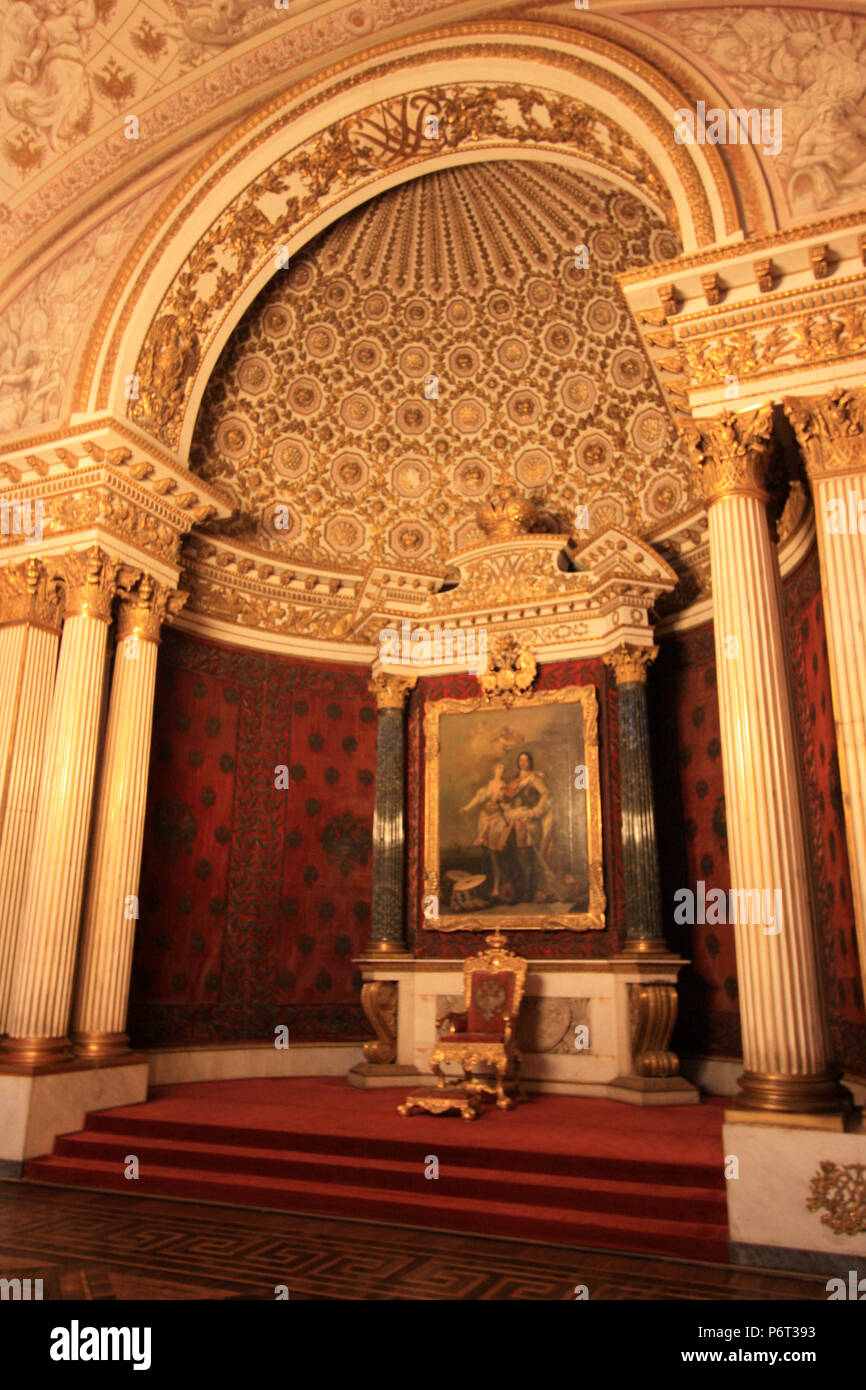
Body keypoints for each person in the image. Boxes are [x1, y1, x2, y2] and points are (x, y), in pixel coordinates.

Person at [459, 762, 514, 902]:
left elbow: (508, 804)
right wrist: (466, 808)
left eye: (502, 768)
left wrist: (505, 806)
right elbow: (477, 799)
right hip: (485, 817)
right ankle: (487, 886)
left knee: (495, 855)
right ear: (494, 770)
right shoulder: (488, 785)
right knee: (488, 855)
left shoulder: (506, 787)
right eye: (498, 768)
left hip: (497, 820)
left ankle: (496, 887)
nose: (500, 770)